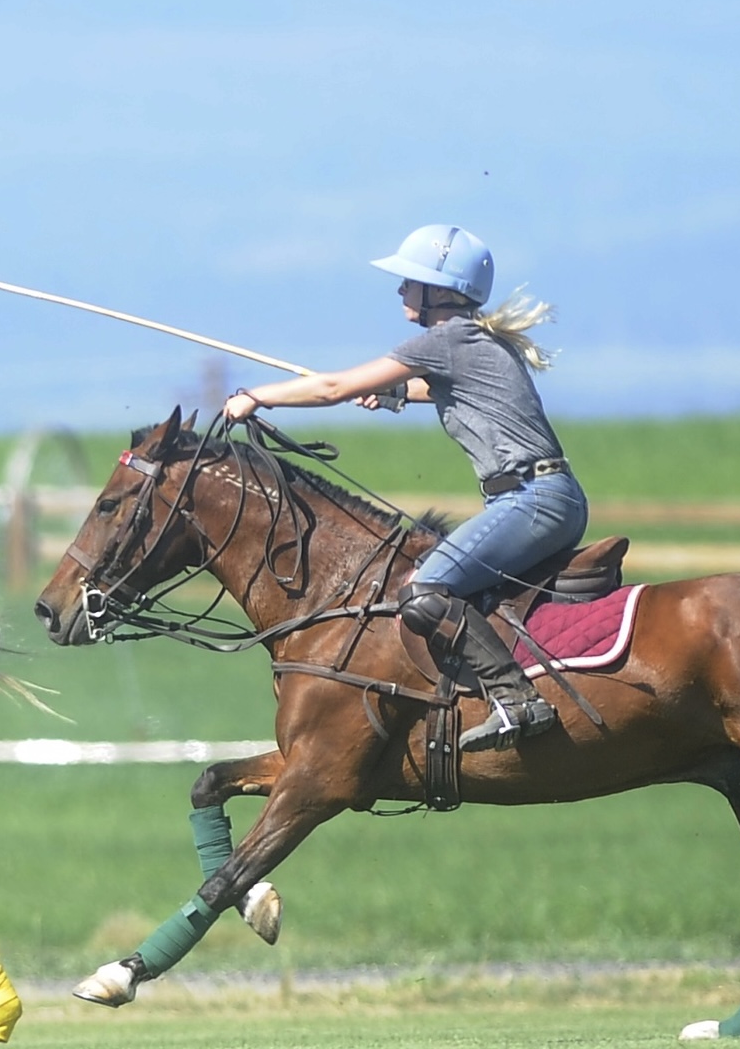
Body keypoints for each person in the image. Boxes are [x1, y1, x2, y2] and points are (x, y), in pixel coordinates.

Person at [224, 224, 583, 752]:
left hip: (531, 501)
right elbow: (437, 390)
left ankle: (516, 699)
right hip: (550, 497)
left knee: (424, 590)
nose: (399, 291)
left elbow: (333, 387)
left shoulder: (445, 340)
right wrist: (392, 394)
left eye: (409, 281)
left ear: (441, 291)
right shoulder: (471, 341)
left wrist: (258, 396)